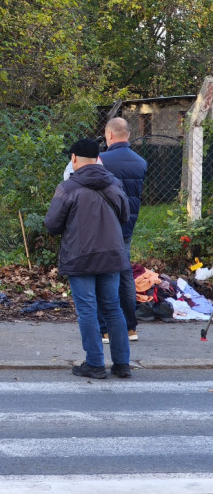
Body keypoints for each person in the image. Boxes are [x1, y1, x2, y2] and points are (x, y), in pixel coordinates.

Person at [45, 138, 132, 379]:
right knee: (113, 308)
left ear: (73, 158)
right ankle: (122, 364)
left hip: (80, 256)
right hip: (112, 255)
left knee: (87, 310)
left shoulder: (68, 189)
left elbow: (51, 224)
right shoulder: (114, 184)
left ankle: (94, 363)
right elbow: (125, 216)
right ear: (97, 159)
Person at [98, 117, 147, 343]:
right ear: (127, 135)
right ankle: (130, 328)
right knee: (125, 272)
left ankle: (106, 329)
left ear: (109, 135)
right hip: (127, 226)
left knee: (103, 272)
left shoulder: (102, 160)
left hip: (105, 225)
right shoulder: (140, 162)